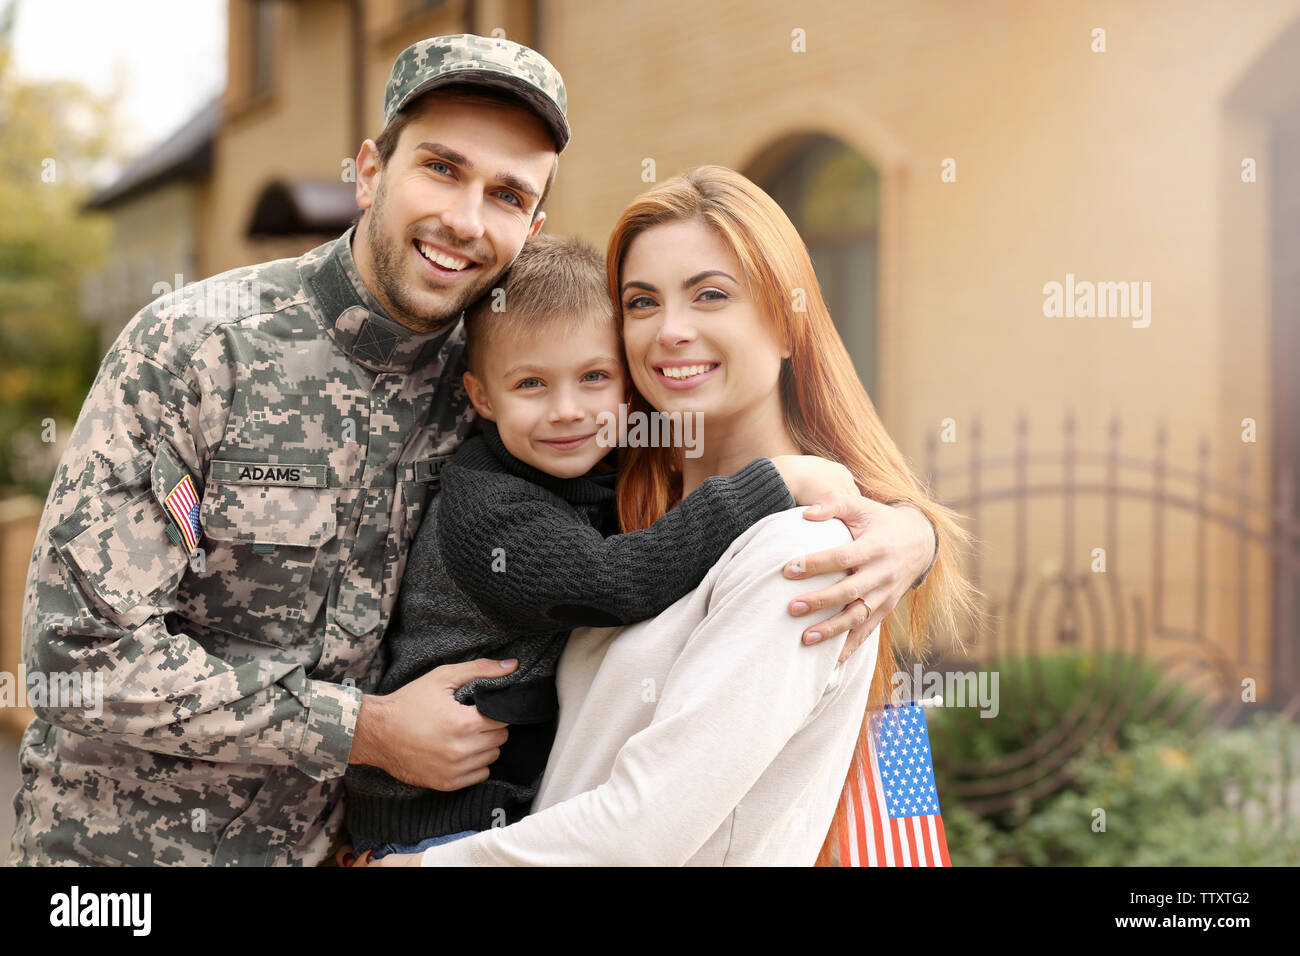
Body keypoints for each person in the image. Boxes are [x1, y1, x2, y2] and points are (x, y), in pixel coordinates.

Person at [6, 33, 936, 867]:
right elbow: (78, 657)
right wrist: (364, 731)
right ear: (370, 171)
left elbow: (668, 794)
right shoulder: (200, 348)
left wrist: (911, 529)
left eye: (507, 194)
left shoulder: (523, 386)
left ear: (532, 229)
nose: (464, 218)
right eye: (441, 169)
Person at [358, 166, 977, 867]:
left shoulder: (802, 550)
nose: (672, 331)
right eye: (642, 302)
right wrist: (916, 528)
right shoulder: (626, 503)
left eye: (710, 295)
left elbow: (642, 832)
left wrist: (416, 866)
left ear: (786, 323)